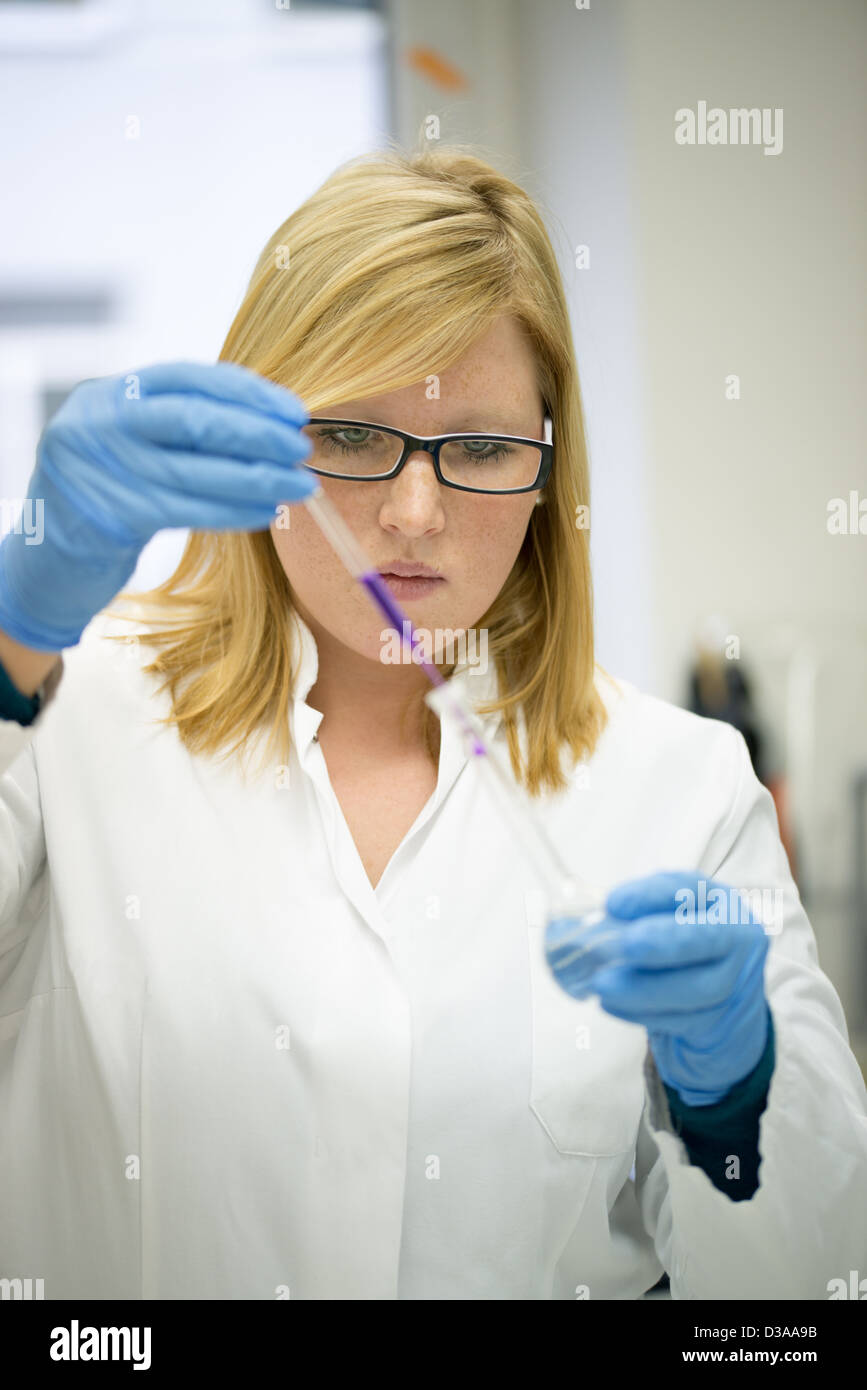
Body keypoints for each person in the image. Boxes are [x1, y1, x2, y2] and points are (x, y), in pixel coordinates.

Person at [0, 145, 864, 1301]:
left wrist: (735, 1091)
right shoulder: (75, 714)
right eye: (352, 435)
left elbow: (798, 1301)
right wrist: (9, 647)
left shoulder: (681, 786)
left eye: (482, 448)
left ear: (550, 466)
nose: (413, 515)